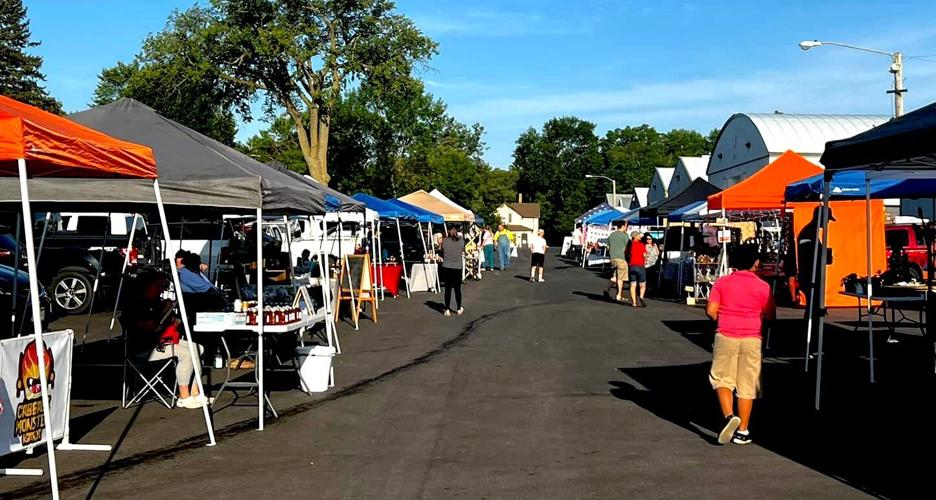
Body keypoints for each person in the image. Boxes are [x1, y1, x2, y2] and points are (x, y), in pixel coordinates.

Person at [706, 244, 775, 445]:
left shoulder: (722, 283)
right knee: (748, 384)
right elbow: (770, 315)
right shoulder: (763, 286)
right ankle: (743, 431)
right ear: (756, 262)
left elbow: (711, 310)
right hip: (753, 337)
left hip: (726, 334)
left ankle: (729, 417)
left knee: (721, 379)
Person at [125, 270, 208, 409]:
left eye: (163, 288)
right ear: (147, 285)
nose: (161, 291)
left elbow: (162, 324)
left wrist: (172, 319)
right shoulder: (136, 304)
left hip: (161, 341)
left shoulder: (156, 302)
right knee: (187, 354)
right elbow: (147, 328)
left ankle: (195, 391)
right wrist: (163, 313)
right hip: (144, 347)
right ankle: (184, 396)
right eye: (159, 287)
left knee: (198, 348)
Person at [439, 226, 465, 316]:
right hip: (457, 267)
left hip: (447, 266)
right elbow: (462, 251)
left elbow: (442, 251)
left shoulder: (444, 241)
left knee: (448, 289)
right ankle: (458, 308)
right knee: (457, 289)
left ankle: (447, 309)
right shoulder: (461, 242)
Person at [606, 222, 630, 303]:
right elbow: (629, 247)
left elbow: (608, 247)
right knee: (621, 278)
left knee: (615, 276)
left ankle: (607, 289)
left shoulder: (611, 235)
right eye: (626, 226)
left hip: (612, 258)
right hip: (621, 258)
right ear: (623, 226)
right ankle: (619, 295)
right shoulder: (624, 235)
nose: (627, 228)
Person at [628, 231, 648, 308]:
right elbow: (644, 255)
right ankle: (641, 297)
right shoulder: (641, 244)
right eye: (639, 235)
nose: (640, 236)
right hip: (640, 266)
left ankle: (634, 302)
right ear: (635, 236)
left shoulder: (630, 244)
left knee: (633, 285)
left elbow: (626, 253)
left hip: (632, 266)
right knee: (642, 284)